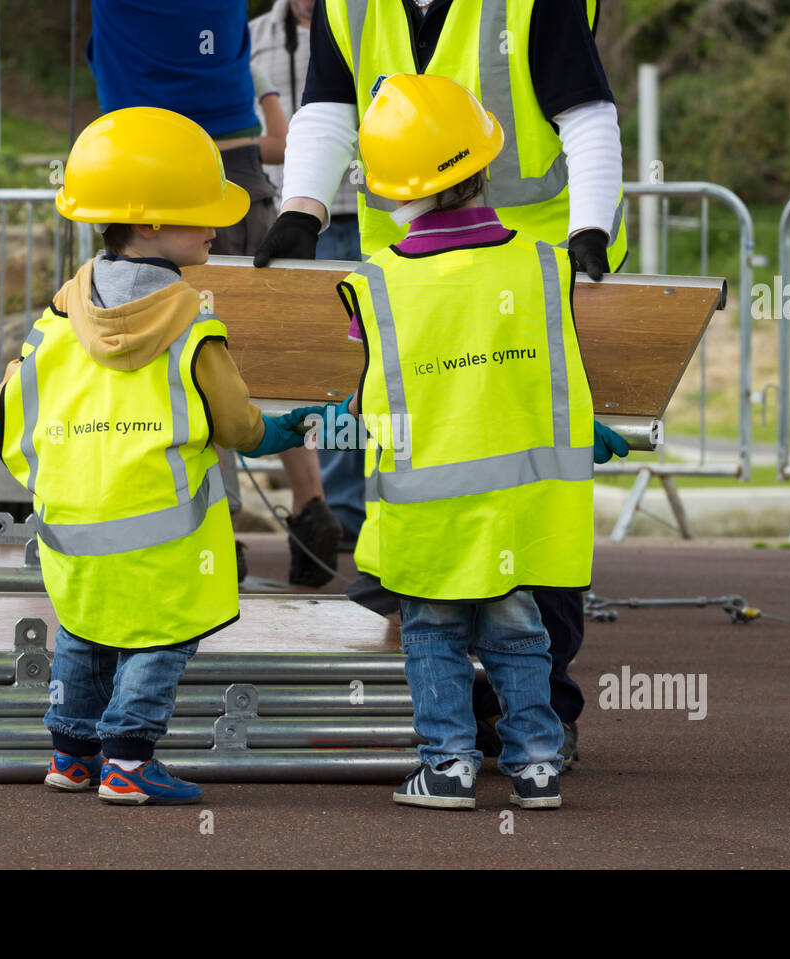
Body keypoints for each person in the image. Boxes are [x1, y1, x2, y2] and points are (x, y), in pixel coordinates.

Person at [254, 0, 631, 769]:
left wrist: (589, 225)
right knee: (434, 481)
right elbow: (330, 106)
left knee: (529, 490)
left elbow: (587, 116)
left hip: (531, 269)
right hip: (414, 278)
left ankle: (534, 711)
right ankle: (484, 719)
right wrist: (304, 205)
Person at [0, 107, 321, 805]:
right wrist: (296, 429)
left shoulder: (56, 320)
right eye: (198, 214)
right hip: (165, 534)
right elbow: (241, 428)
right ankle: (130, 761)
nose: (215, 226)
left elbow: (2, 411)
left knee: (83, 631)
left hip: (72, 526)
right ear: (146, 224)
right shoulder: (194, 329)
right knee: (159, 638)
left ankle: (73, 753)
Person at [309, 73, 597, 810]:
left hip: (427, 517)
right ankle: (536, 765)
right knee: (518, 631)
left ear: (389, 187)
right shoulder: (542, 265)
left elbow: (366, 390)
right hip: (519, 513)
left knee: (433, 636)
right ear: (482, 165)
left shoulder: (376, 286)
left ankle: (447, 767)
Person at [87, 0, 343, 587]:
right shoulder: (225, 17)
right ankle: (311, 505)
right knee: (267, 363)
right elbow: (276, 131)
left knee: (187, 363)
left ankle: (219, 527)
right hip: (247, 188)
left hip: (162, 207)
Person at [251, 0, 368, 551]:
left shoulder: (364, 21)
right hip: (298, 223)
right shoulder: (253, 39)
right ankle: (329, 505)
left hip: (370, 216)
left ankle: (355, 505)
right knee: (317, 365)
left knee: (365, 362)